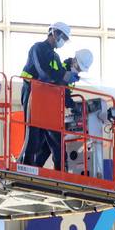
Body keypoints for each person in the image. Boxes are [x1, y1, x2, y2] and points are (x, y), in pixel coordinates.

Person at [20, 22, 77, 169]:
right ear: (53, 33)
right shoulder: (37, 48)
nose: (62, 41)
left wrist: (70, 100)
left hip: (47, 98)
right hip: (32, 93)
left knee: (54, 137)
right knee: (33, 133)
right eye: (62, 37)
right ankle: (26, 166)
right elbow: (43, 72)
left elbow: (59, 81)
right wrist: (64, 76)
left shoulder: (55, 56)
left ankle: (60, 171)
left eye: (65, 38)